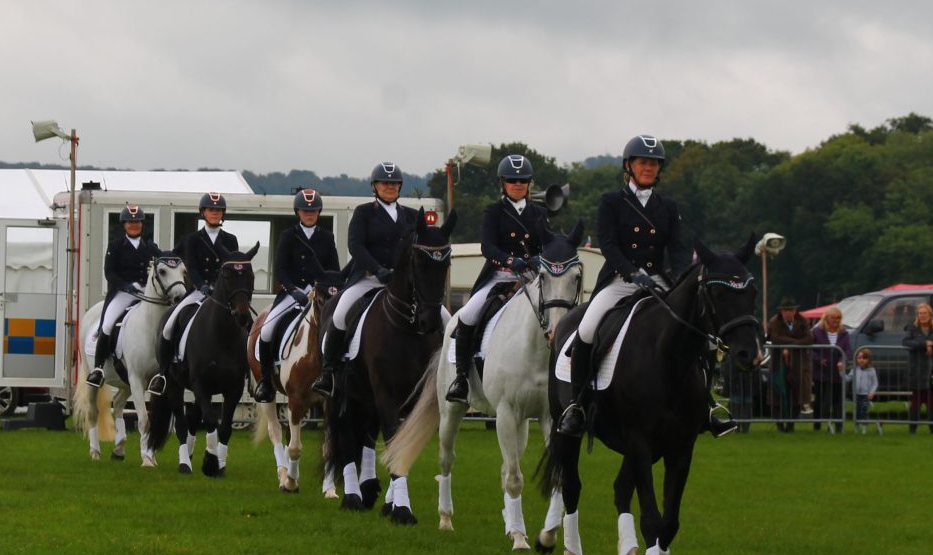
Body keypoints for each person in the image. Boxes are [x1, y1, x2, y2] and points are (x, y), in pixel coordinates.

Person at [556, 135, 731, 437]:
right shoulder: (611, 202)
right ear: (629, 166)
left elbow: (677, 248)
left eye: (653, 163)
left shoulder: (668, 206)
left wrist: (678, 279)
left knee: (694, 328)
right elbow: (609, 245)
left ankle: (707, 404)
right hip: (620, 280)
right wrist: (630, 271)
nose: (648, 168)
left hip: (658, 280)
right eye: (643, 162)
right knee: (585, 330)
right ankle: (578, 404)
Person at [445, 154, 555, 403]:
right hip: (499, 276)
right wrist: (509, 260)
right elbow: (488, 246)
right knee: (468, 315)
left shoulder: (539, 212)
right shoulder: (494, 211)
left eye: (523, 180)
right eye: (512, 180)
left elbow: (547, 242)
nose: (518, 184)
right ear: (502, 183)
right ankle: (461, 378)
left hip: (532, 278)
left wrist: (541, 258)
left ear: (529, 183)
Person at [312, 162, 419, 398]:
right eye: (385, 183)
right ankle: (328, 373)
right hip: (369, 279)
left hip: (402, 285)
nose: (389, 187)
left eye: (394, 183)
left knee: (442, 316)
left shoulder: (411, 216)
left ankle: (443, 372)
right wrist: (378, 269)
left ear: (400, 187)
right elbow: (356, 246)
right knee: (339, 315)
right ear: (375, 186)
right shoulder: (364, 213)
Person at [253, 189, 340, 403]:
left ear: (319, 212)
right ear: (298, 212)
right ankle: (266, 380)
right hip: (292, 293)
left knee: (337, 327)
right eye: (305, 210)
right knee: (266, 330)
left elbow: (334, 270)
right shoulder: (288, 236)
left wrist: (320, 288)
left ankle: (333, 375)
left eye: (313, 210)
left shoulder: (327, 237)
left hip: (319, 295)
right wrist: (293, 290)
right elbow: (280, 269)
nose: (309, 214)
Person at [148, 192, 239, 396]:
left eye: (218, 210)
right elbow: (189, 265)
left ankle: (247, 374)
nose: (214, 213)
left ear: (222, 213)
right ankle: (162, 374)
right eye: (210, 210)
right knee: (169, 326)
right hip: (198, 292)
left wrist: (221, 288)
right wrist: (201, 285)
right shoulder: (192, 239)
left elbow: (233, 269)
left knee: (246, 325)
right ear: (203, 213)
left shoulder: (231, 240)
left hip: (222, 295)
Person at [87, 204, 161, 387]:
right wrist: (126, 286)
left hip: (146, 294)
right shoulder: (116, 245)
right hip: (123, 293)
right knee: (107, 324)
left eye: (137, 222)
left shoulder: (151, 247)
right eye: (130, 222)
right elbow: (109, 273)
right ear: (124, 225)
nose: (134, 225)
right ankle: (98, 368)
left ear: (142, 224)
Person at [765, 295, 813, 431]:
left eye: (790, 310)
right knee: (778, 393)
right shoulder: (774, 322)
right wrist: (796, 342)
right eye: (785, 310)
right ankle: (779, 424)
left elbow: (809, 338)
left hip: (798, 364)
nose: (787, 313)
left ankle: (791, 424)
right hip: (778, 363)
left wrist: (792, 344)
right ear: (781, 311)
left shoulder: (802, 321)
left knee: (797, 394)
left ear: (795, 311)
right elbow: (775, 338)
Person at [902, 303, 933, 434]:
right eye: (920, 313)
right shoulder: (912, 328)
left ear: (930, 315)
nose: (922, 316)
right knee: (916, 400)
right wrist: (924, 344)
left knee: (932, 400)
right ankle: (912, 430)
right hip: (917, 370)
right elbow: (906, 342)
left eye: (925, 313)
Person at [810, 307, 852, 433]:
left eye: (838, 318)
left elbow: (848, 351)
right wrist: (818, 359)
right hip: (821, 372)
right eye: (833, 318)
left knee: (837, 401)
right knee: (820, 401)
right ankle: (817, 426)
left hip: (837, 373)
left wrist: (842, 360)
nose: (836, 320)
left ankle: (838, 426)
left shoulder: (844, 333)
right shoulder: (816, 332)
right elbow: (809, 349)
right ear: (826, 318)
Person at [851, 348, 880, 435]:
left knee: (864, 411)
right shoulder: (854, 369)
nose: (861, 360)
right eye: (859, 358)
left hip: (865, 395)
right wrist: (841, 371)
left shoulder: (872, 370)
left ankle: (864, 427)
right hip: (856, 394)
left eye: (864, 358)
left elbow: (875, 383)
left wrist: (871, 392)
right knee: (856, 411)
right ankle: (856, 426)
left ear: (869, 359)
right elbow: (847, 378)